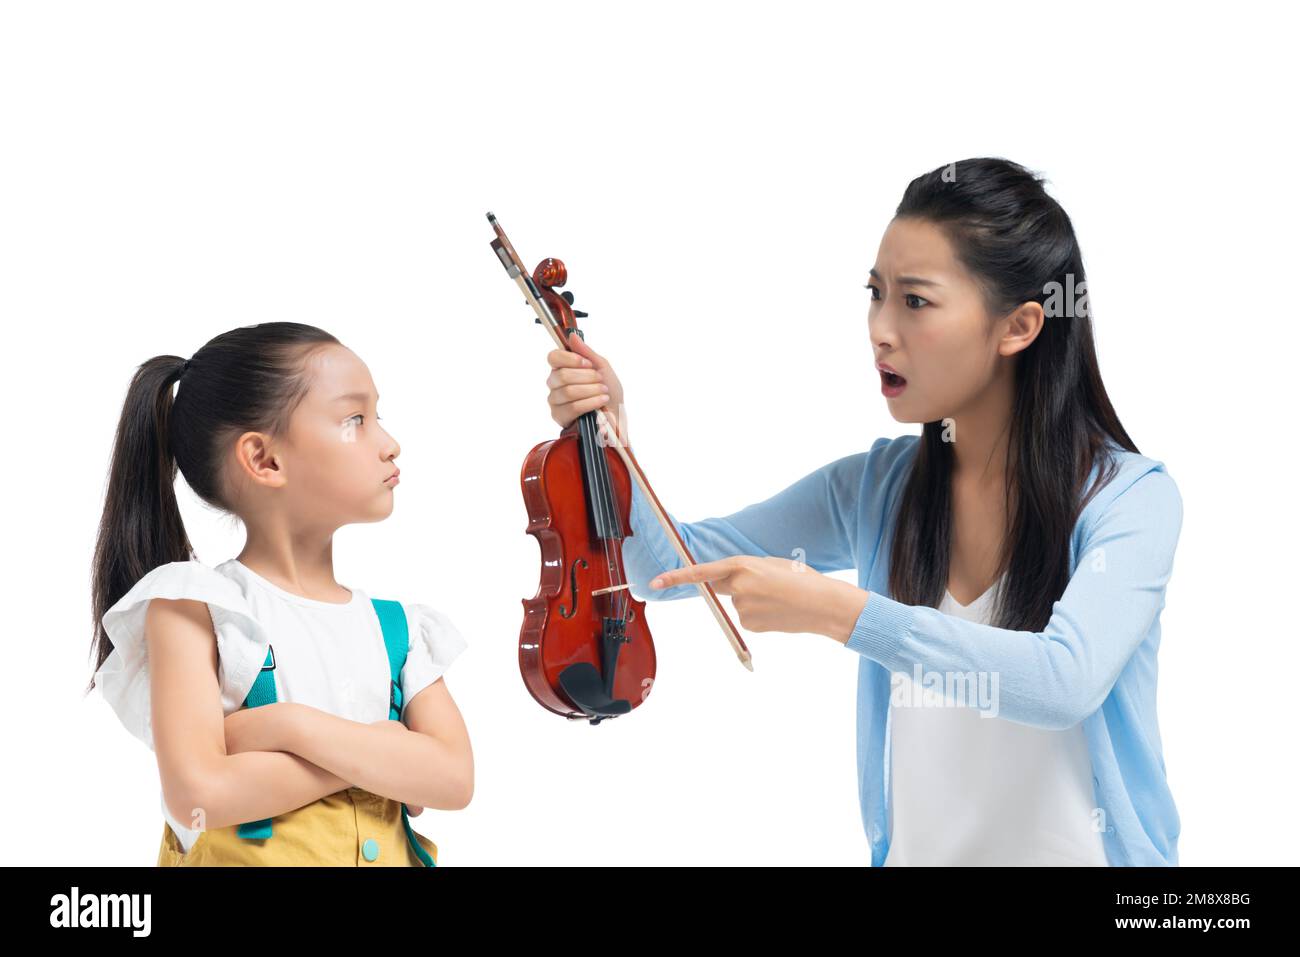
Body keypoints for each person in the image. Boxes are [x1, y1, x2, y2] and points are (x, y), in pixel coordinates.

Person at [543, 158, 1183, 866]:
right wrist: (614, 442)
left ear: (1021, 326)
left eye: (916, 302)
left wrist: (840, 614)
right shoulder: (877, 487)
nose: (880, 329)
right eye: (875, 294)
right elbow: (667, 566)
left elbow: (1063, 681)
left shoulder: (1131, 499)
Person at [87, 322, 472, 866]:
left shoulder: (399, 629)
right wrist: (386, 754)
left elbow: (453, 780)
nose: (389, 444)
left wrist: (289, 726)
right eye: (355, 420)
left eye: (377, 416)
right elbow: (199, 797)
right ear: (264, 460)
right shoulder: (197, 608)